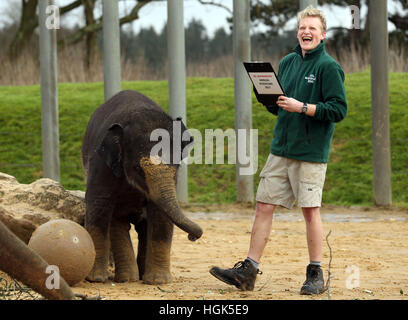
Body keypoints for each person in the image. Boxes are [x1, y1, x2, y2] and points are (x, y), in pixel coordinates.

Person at [209, 6, 347, 295]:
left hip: (310, 153)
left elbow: (338, 109)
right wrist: (268, 97)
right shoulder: (287, 62)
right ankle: (248, 271)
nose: (306, 32)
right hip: (280, 149)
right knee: (263, 206)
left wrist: (303, 108)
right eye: (302, 27)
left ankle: (315, 273)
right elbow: (279, 107)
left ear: (322, 35)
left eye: (312, 28)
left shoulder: (329, 67)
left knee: (310, 212)